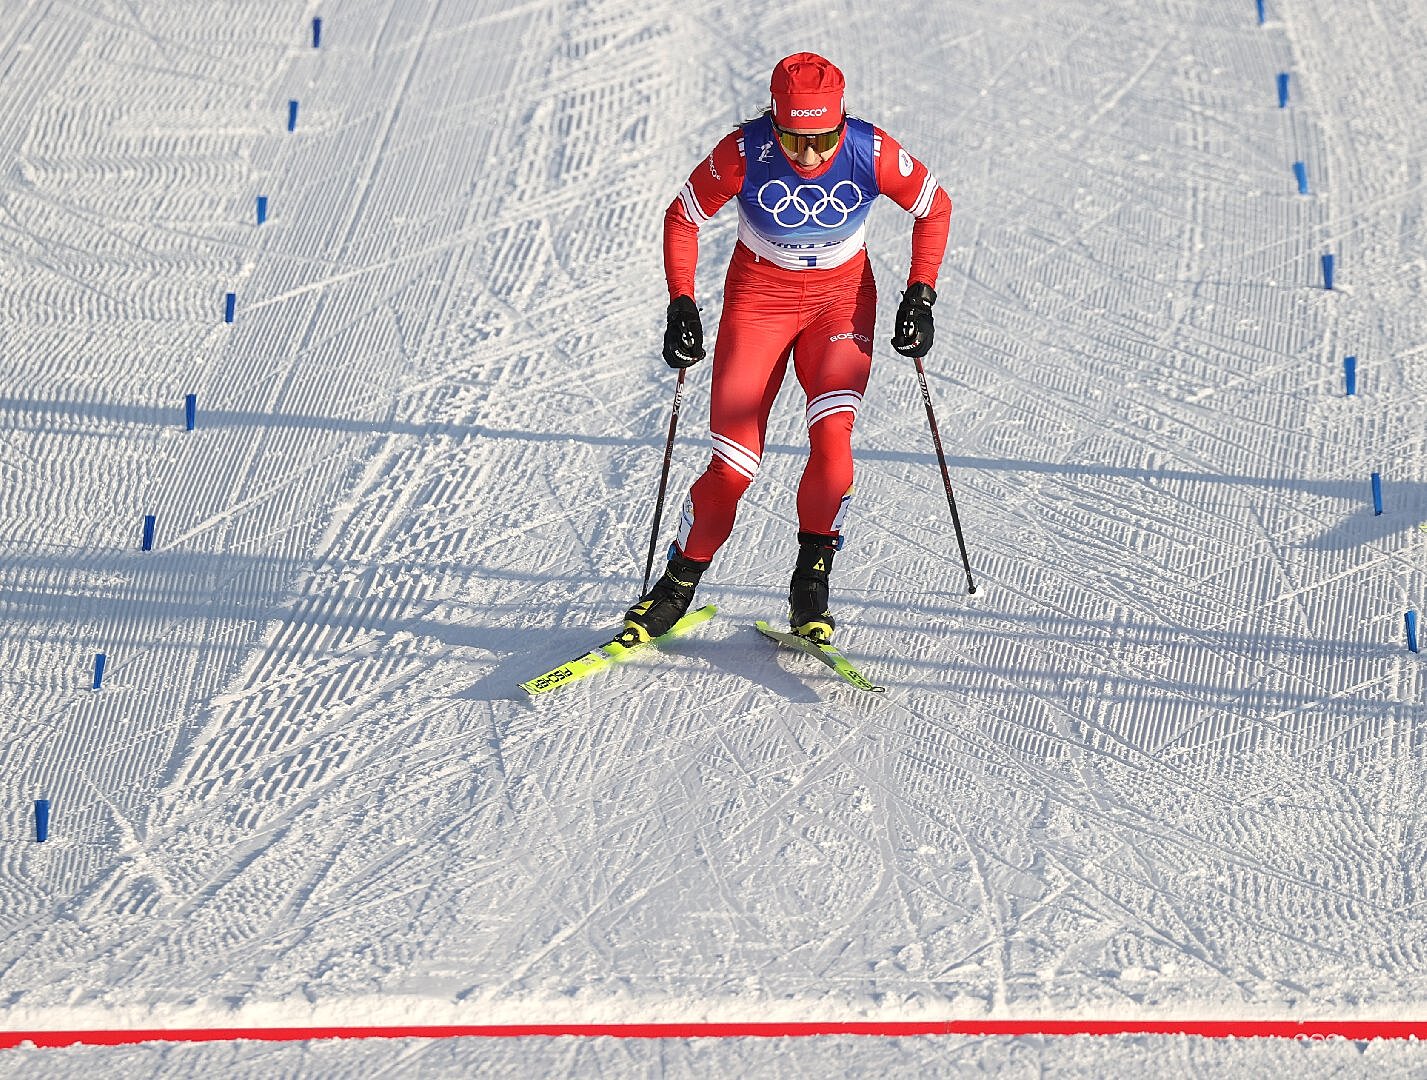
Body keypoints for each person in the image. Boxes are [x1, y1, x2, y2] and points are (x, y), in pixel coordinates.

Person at [624, 52, 952, 644]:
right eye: (794, 139)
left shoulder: (870, 150)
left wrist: (920, 294)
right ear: (773, 123)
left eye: (823, 139)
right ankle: (676, 585)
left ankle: (811, 587)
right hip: (759, 299)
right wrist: (681, 304)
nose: (809, 156)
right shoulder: (744, 152)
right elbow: (682, 217)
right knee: (733, 463)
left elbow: (935, 207)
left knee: (833, 441)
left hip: (841, 300)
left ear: (841, 121)